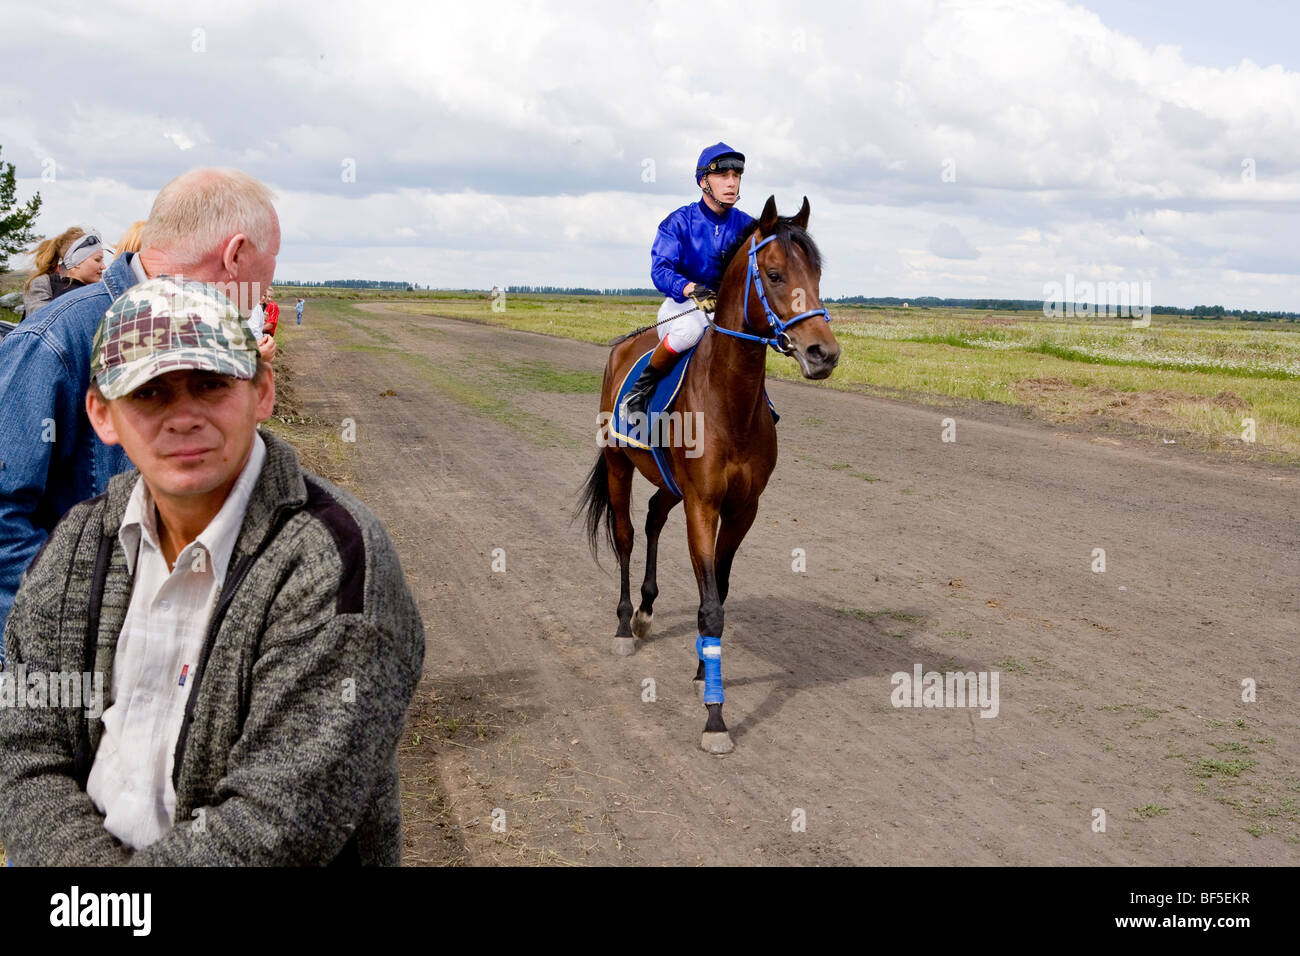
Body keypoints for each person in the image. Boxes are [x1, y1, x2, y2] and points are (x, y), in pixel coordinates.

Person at [0, 276, 425, 865]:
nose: (183, 418)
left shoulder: (336, 561)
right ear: (102, 414)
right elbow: (24, 754)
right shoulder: (76, 543)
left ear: (263, 392)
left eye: (209, 385)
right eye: (149, 394)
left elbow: (279, 823)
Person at [0, 167, 280, 644]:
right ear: (235, 255)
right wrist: (85, 641)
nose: (263, 295)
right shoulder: (56, 342)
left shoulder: (218, 342)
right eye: (269, 268)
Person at [622, 143, 755, 420]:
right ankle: (640, 390)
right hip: (682, 306)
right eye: (723, 176)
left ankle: (759, 405)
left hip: (724, 310)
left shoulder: (747, 227)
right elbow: (660, 269)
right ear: (703, 181)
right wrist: (689, 288)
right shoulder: (678, 223)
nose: (731, 183)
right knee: (689, 331)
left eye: (736, 176)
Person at [22, 228, 106, 317]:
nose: (104, 266)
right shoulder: (43, 283)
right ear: (76, 261)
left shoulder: (97, 289)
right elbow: (40, 321)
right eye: (97, 260)